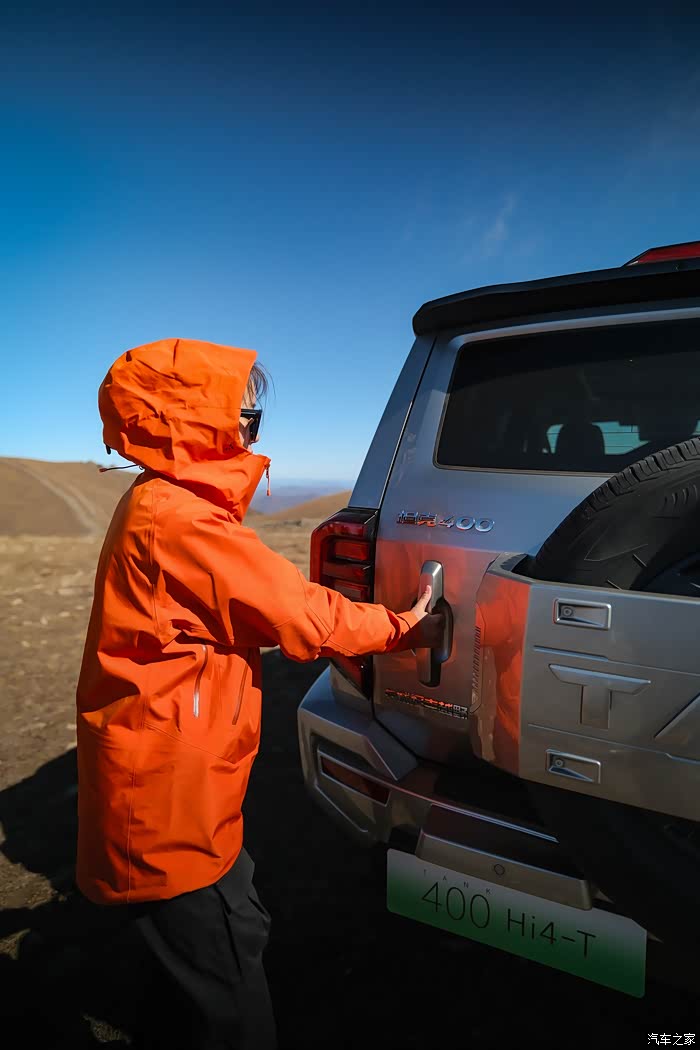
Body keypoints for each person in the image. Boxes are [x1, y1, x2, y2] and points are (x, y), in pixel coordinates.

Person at [75, 337, 444, 1050]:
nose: (253, 431)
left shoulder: (158, 502)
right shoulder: (181, 519)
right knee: (222, 956)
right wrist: (405, 627)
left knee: (205, 937)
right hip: (168, 784)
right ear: (191, 419)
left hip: (165, 763)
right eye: (244, 414)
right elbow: (299, 613)